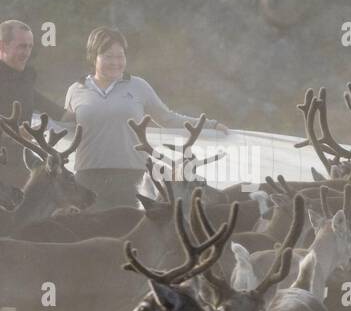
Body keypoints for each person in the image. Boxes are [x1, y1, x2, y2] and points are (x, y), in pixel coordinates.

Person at [63, 27, 229, 209]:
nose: (116, 62)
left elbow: (168, 119)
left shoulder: (138, 86)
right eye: (109, 56)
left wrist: (211, 125)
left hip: (132, 181)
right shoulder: (76, 90)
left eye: (120, 56)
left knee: (130, 235)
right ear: (93, 56)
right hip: (88, 181)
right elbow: (63, 129)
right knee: (87, 235)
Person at [0, 19, 68, 188]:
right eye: (22, 46)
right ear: (2, 46)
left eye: (30, 46)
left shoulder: (26, 78)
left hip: (21, 162)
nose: (27, 52)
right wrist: (11, 134)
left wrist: (95, 111)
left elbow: (57, 111)